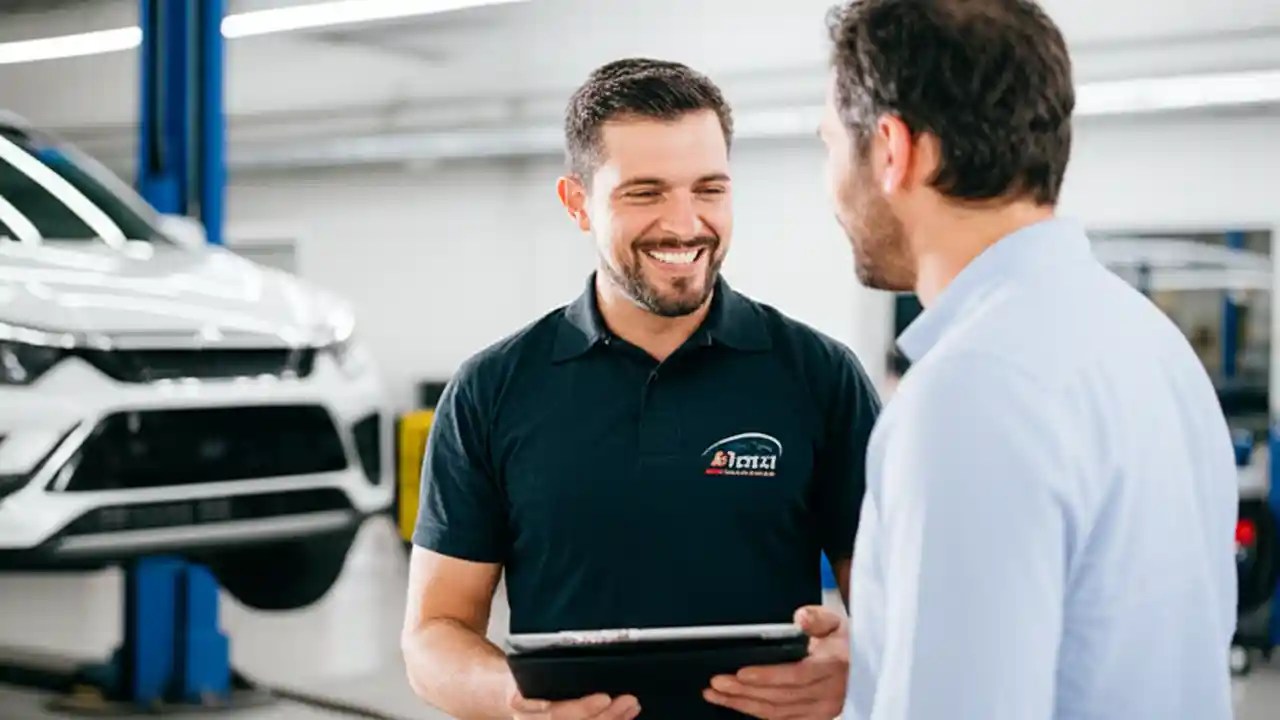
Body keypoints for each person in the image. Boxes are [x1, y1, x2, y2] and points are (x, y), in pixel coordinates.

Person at [401, 57, 881, 720]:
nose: (685, 224)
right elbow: (433, 632)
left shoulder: (821, 377)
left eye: (708, 189)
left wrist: (859, 664)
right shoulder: (492, 390)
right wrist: (512, 700)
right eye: (645, 192)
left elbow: (894, 612)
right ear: (578, 204)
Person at [817, 1, 1239, 718]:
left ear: (893, 150)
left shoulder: (969, 392)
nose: (830, 187)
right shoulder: (1149, 341)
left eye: (829, 146)